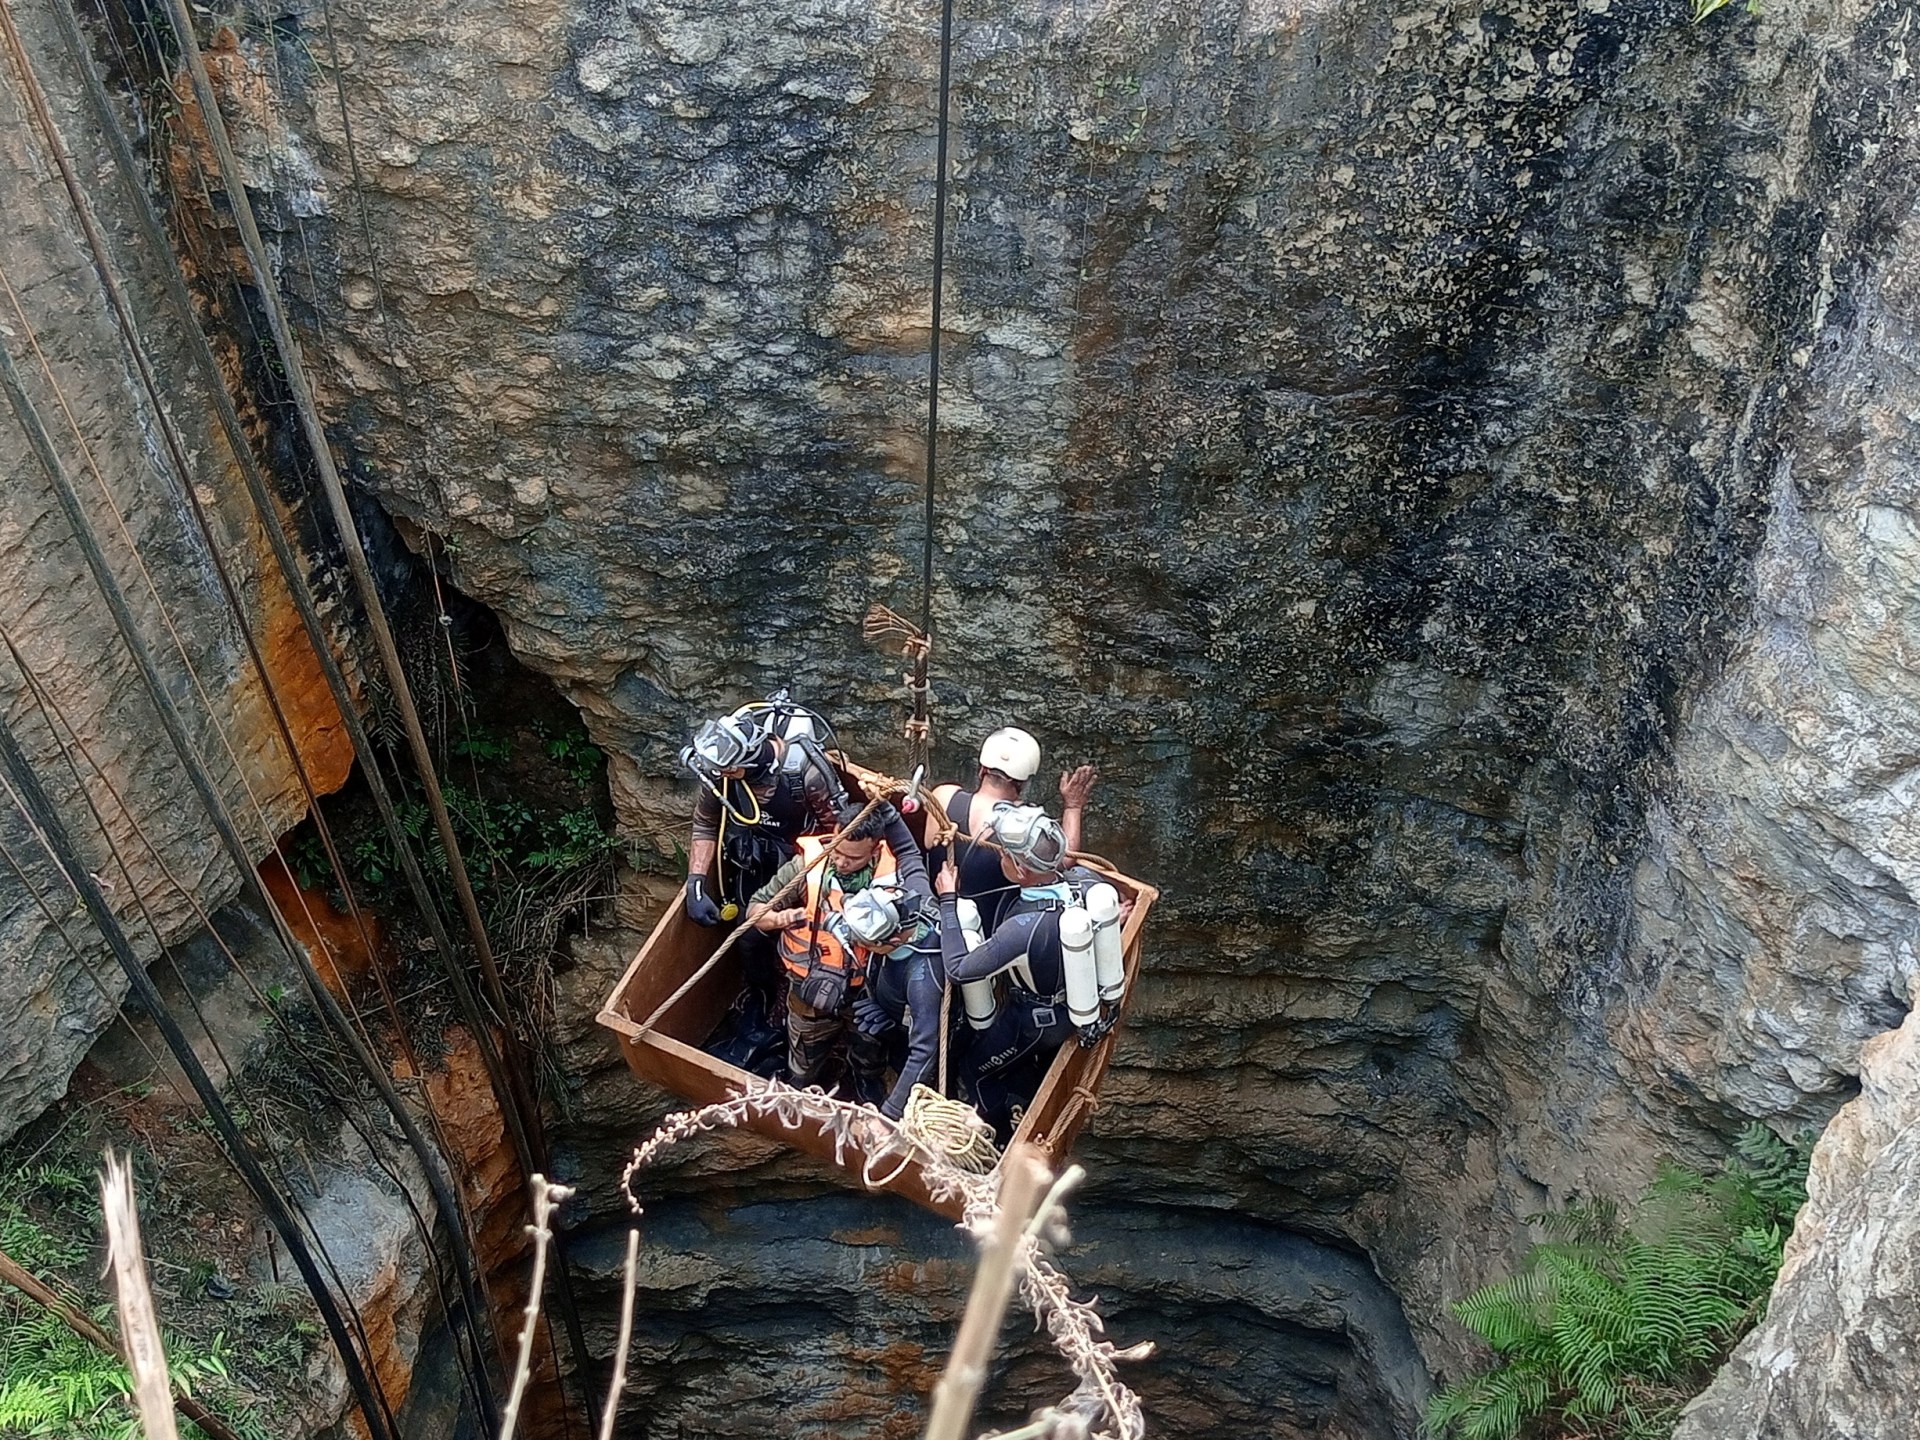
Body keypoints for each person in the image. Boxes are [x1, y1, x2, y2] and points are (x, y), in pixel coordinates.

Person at [937, 803, 1120, 1138]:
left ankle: (1000, 1146)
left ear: (1021, 870)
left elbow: (960, 969)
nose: (999, 859)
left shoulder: (1022, 927)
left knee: (975, 1069)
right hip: (1073, 1004)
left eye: (1005, 855)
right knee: (1014, 1062)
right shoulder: (1084, 881)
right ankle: (1022, 1099)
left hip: (1034, 1020)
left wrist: (948, 902)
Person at [748, 805, 928, 1090]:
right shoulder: (806, 865)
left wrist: (887, 941)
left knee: (869, 1053)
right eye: (838, 851)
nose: (841, 861)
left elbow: (917, 933)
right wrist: (777, 918)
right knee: (802, 1062)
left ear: (875, 850)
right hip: (808, 986)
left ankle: (864, 1082)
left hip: (866, 992)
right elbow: (755, 909)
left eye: (852, 858)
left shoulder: (896, 880)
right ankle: (800, 1085)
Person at [928, 727, 1096, 926]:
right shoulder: (1024, 825)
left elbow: (927, 842)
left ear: (982, 770)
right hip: (985, 931)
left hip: (932, 914)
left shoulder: (943, 796)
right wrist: (1073, 806)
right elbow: (1063, 860)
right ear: (1023, 784)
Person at [843, 887, 947, 1121]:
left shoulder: (923, 979)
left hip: (917, 1032)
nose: (858, 944)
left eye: (867, 943)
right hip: (891, 1010)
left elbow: (925, 1050)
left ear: (893, 941)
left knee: (907, 1063)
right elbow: (910, 858)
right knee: (862, 1026)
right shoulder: (909, 916)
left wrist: (891, 1111)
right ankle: (867, 1079)